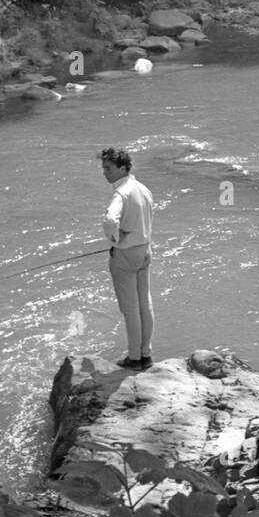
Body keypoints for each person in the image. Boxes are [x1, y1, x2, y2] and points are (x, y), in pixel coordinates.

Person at [100, 147, 155, 370]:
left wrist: (116, 240)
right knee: (146, 304)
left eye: (108, 168)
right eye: (104, 168)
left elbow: (110, 220)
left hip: (126, 254)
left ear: (123, 168)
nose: (105, 173)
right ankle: (146, 354)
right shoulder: (143, 189)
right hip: (145, 250)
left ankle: (133, 358)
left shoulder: (121, 193)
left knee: (130, 308)